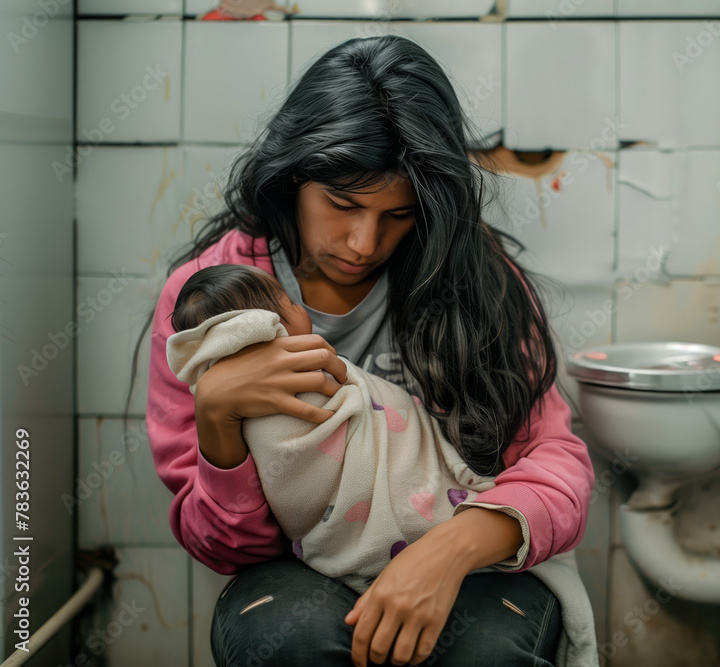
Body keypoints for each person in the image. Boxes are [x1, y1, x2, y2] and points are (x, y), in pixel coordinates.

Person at [144, 34, 596, 666]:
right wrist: (218, 422)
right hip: (303, 565)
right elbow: (226, 550)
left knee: (488, 653)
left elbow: (558, 465)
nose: (362, 243)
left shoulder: (476, 282)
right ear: (292, 176)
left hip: (473, 555)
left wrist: (454, 546)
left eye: (399, 215)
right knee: (291, 647)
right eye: (342, 204)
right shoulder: (206, 308)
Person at [164, 263, 500, 591]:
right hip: (278, 566)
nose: (362, 246)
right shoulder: (289, 382)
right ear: (268, 325)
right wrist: (214, 410)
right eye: (290, 301)